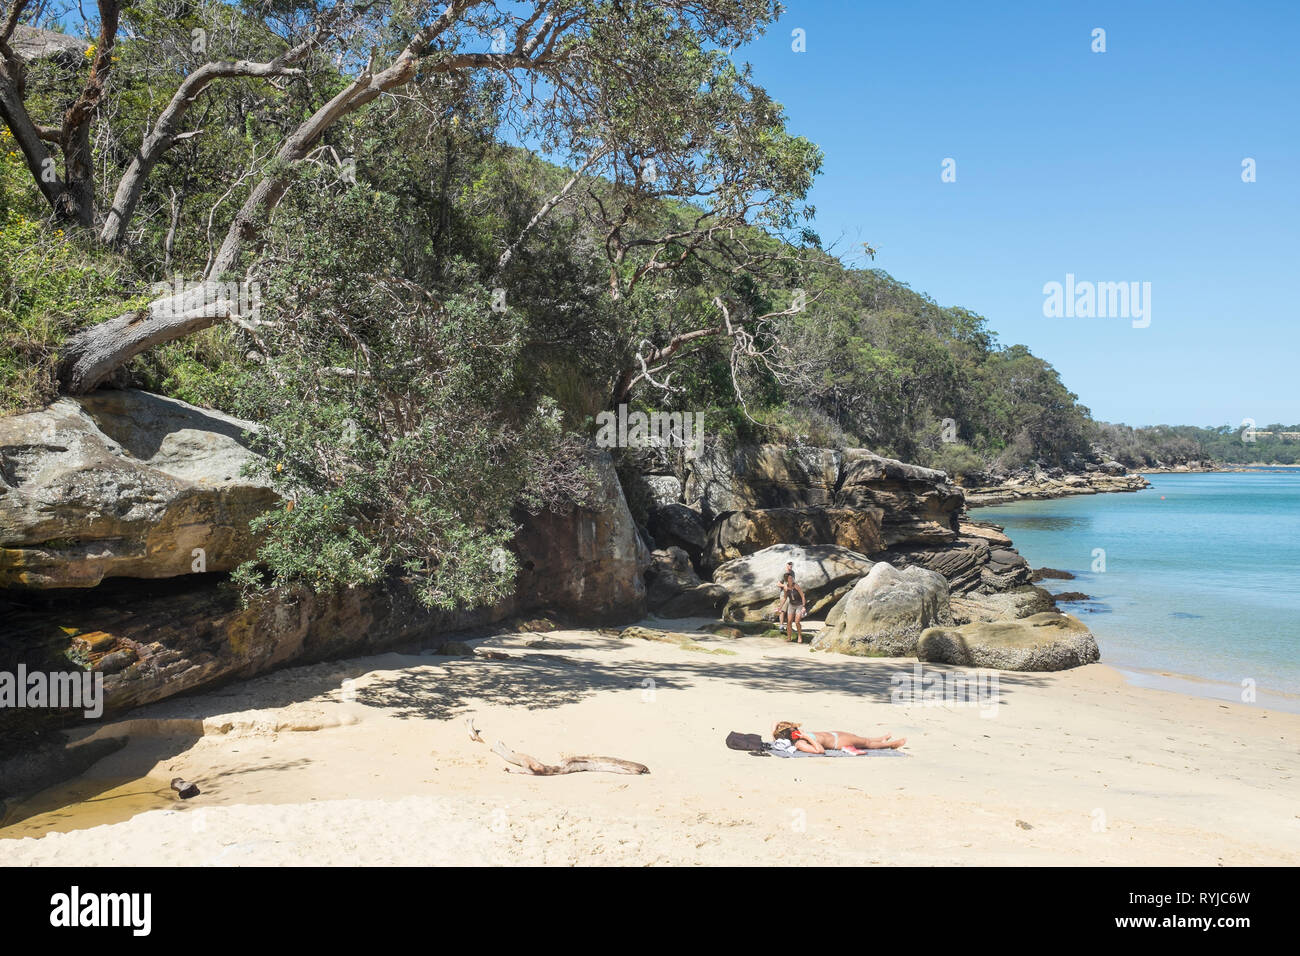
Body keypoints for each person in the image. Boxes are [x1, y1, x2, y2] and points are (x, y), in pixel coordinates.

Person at [772, 720, 906, 754]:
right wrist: (808, 737)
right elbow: (820, 750)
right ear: (791, 734)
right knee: (866, 743)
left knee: (861, 738)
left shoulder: (798, 736)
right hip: (838, 741)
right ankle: (890, 744)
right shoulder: (800, 743)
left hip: (835, 734)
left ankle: (880, 739)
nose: (798, 729)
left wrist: (776, 729)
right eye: (795, 729)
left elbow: (775, 725)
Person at [777, 569, 807, 643]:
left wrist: (803, 606)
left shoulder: (796, 586)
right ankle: (789, 638)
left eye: (792, 578)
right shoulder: (786, 588)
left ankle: (799, 636)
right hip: (791, 605)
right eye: (789, 578)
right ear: (787, 580)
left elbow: (803, 596)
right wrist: (780, 607)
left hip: (799, 605)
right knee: (789, 622)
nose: (791, 579)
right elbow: (784, 598)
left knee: (797, 622)